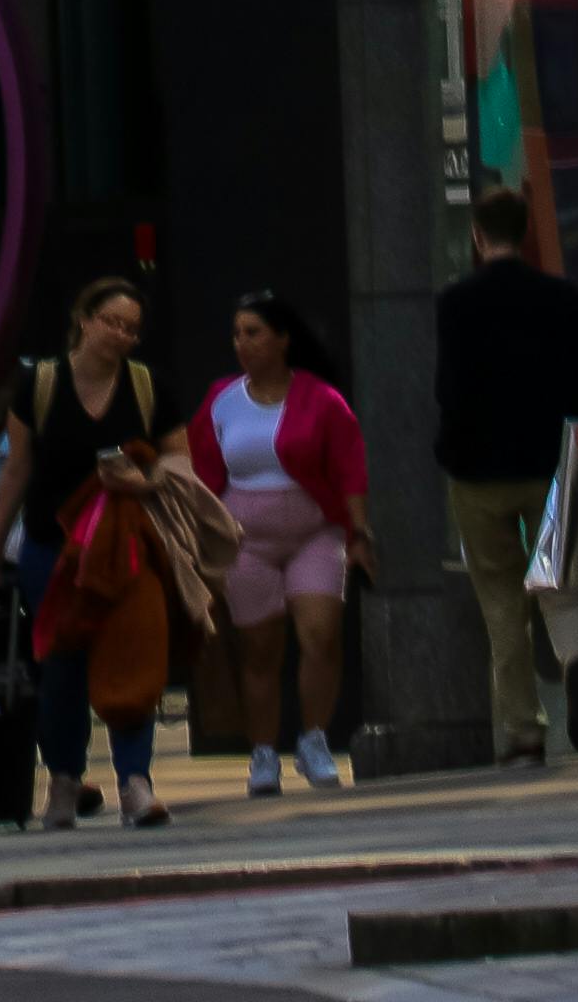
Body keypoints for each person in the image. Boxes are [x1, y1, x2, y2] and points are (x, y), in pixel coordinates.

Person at [0, 275, 165, 832]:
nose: (122, 335)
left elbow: (178, 462)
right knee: (60, 667)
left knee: (131, 657)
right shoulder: (39, 383)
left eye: (132, 328)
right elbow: (16, 469)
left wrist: (142, 481)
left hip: (126, 545)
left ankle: (135, 781)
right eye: (112, 322)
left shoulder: (146, 385)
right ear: (84, 320)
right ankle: (63, 778)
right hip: (52, 548)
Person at [435, 182, 578, 767]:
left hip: (478, 469)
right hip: (548, 460)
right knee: (559, 575)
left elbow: (449, 389)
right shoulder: (562, 298)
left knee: (501, 602)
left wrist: (454, 446)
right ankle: (575, 657)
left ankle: (525, 732)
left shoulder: (456, 303)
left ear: (477, 236)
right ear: (527, 233)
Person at [188, 294, 371, 795]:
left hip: (316, 533)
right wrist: (200, 537)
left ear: (283, 339)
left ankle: (314, 741)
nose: (242, 343)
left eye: (254, 333)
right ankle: (263, 753)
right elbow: (200, 469)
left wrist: (359, 531)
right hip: (247, 541)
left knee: (320, 635)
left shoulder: (321, 399)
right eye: (237, 334)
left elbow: (350, 468)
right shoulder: (222, 399)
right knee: (260, 649)